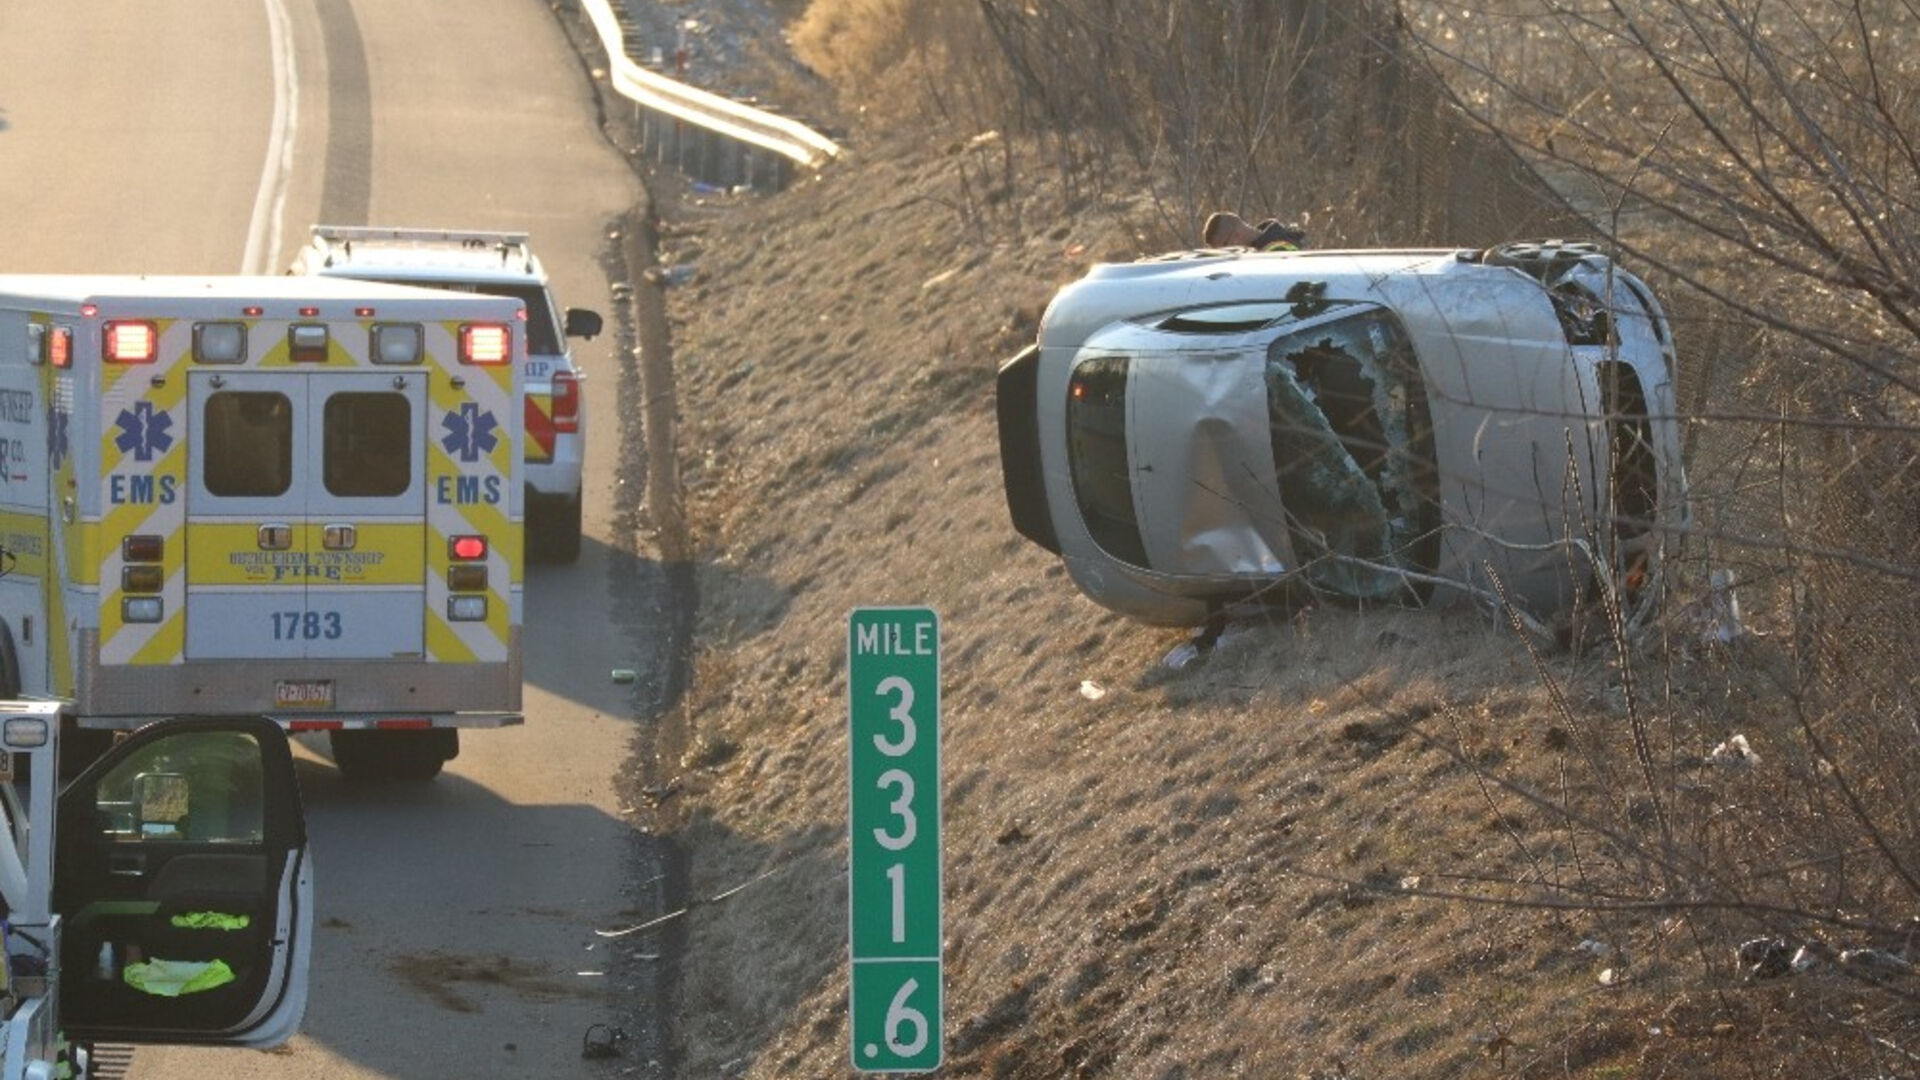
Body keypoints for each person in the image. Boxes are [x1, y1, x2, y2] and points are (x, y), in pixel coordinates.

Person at [1202, 211, 1306, 251]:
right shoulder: (1256, 252)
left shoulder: (1279, 248)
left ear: (1236, 235)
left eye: (1226, 248)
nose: (1227, 253)